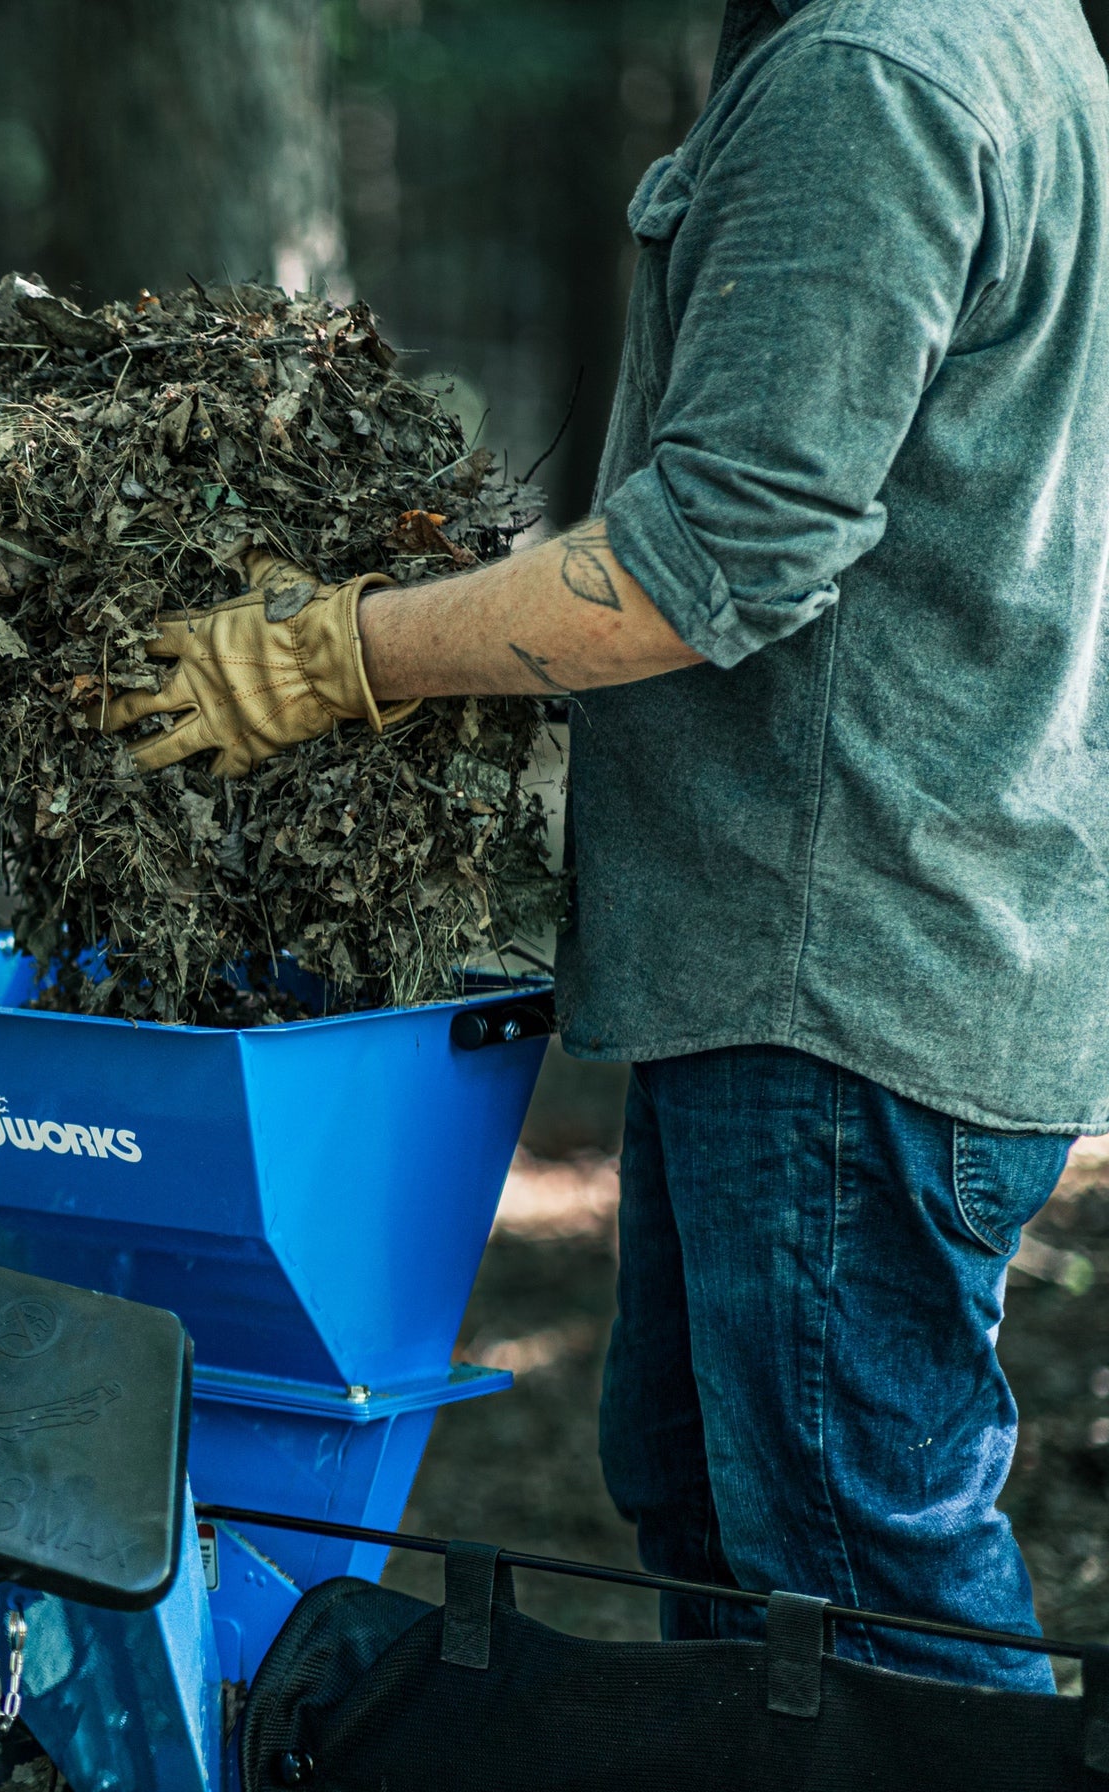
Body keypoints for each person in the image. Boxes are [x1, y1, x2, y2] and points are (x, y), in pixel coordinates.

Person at [103, 0, 1109, 1691]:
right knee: (726, 1532)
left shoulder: (869, 73)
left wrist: (329, 656)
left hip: (842, 966)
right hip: (876, 937)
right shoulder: (1004, 29)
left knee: (858, 1587)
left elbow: (721, 548)